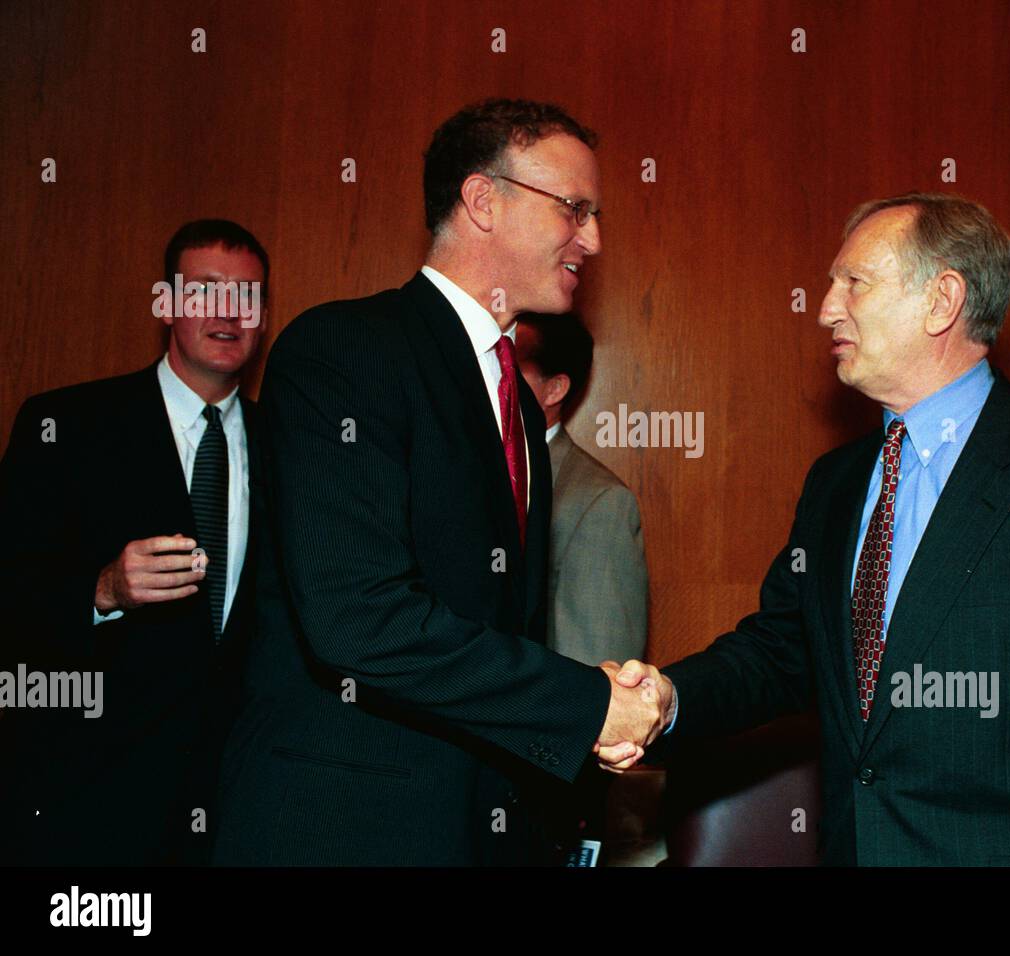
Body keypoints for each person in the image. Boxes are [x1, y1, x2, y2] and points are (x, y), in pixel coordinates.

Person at [605, 193, 1010, 866]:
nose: (827, 307)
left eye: (853, 282)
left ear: (941, 300)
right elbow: (783, 651)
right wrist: (666, 698)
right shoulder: (836, 483)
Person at [212, 99, 666, 867]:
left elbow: (492, 627)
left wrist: (582, 700)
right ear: (483, 201)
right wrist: (584, 703)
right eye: (574, 209)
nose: (592, 238)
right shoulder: (343, 350)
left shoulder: (516, 401)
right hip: (343, 834)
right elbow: (357, 617)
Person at [0, 218, 269, 864]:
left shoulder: (291, 449)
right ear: (168, 304)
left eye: (248, 295)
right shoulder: (65, 425)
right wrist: (103, 589)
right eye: (205, 291)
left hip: (234, 814)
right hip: (89, 807)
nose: (229, 313)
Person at [515, 312, 648, 667]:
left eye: (510, 365)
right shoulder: (463, 469)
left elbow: (597, 679)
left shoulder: (599, 504)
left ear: (555, 388)